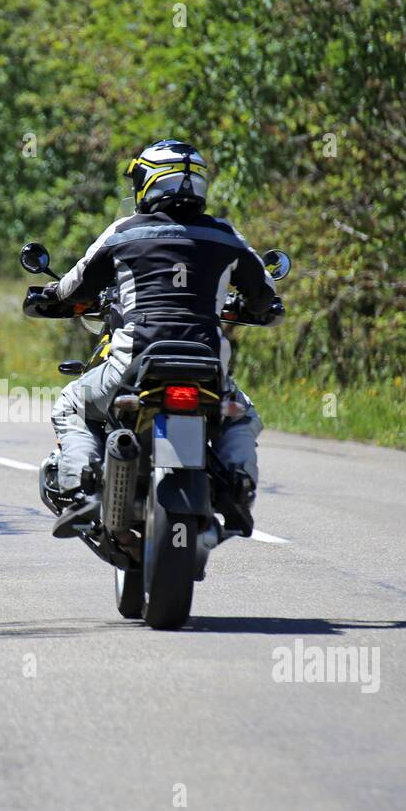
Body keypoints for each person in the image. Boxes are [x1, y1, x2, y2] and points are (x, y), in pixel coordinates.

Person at [40, 139, 282, 536]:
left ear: (149, 182)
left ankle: (82, 490)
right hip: (207, 368)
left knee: (72, 404)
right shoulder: (224, 235)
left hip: (133, 363)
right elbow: (266, 294)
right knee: (243, 417)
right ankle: (238, 484)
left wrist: (51, 297)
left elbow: (74, 287)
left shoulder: (124, 232)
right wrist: (254, 307)